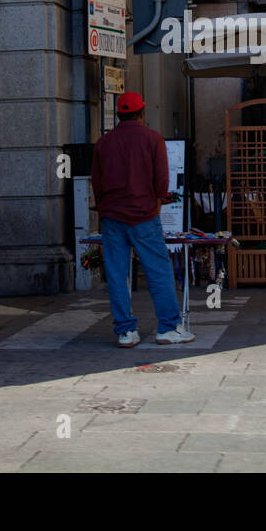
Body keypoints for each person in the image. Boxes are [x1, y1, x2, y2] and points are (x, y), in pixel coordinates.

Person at [90, 91, 194, 347]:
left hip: (113, 216)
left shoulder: (103, 143)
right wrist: (158, 202)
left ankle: (126, 331)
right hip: (145, 215)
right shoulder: (152, 138)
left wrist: (104, 209)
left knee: (116, 274)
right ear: (141, 113)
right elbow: (162, 179)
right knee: (158, 271)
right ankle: (168, 328)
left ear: (118, 114)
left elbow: (97, 181)